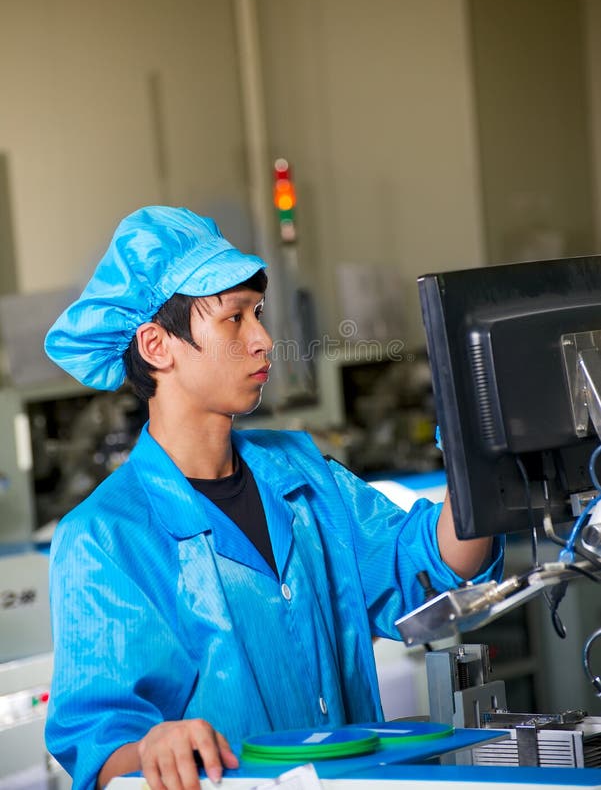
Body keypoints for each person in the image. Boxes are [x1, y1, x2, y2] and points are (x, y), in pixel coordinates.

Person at [44, 206, 503, 790]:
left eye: (257, 314)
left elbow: (428, 564)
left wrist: (480, 451)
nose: (263, 340)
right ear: (157, 346)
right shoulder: (104, 536)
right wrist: (153, 747)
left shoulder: (300, 473)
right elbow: (100, 751)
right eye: (234, 319)